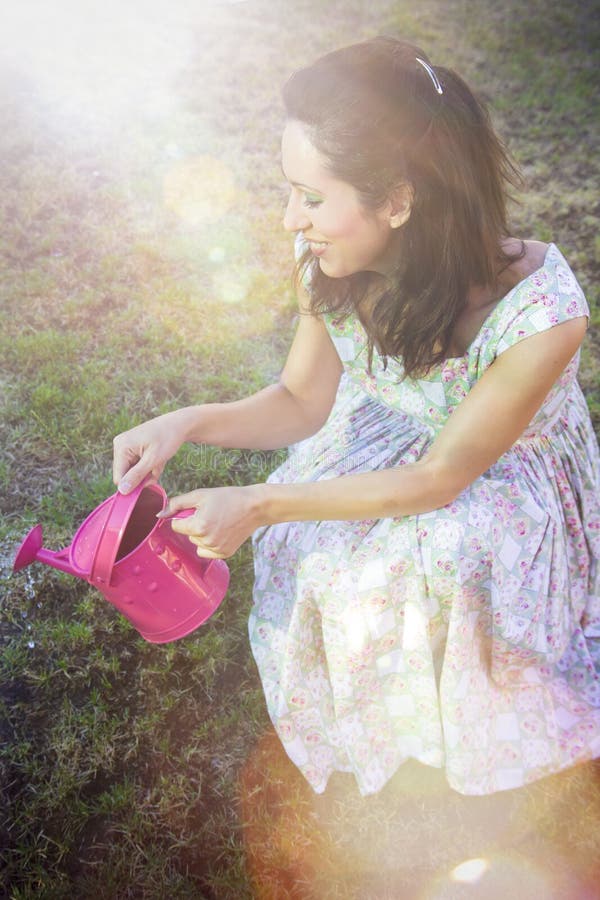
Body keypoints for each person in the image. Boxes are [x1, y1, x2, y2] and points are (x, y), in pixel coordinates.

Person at [112, 36, 600, 798]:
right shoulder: (330, 263)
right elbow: (303, 401)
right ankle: (388, 714)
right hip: (400, 438)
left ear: (399, 200)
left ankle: (459, 718)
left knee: (441, 558)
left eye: (311, 198)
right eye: (289, 191)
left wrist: (262, 503)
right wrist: (186, 421)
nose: (287, 221)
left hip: (499, 472)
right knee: (321, 550)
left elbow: (442, 478)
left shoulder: (543, 316)